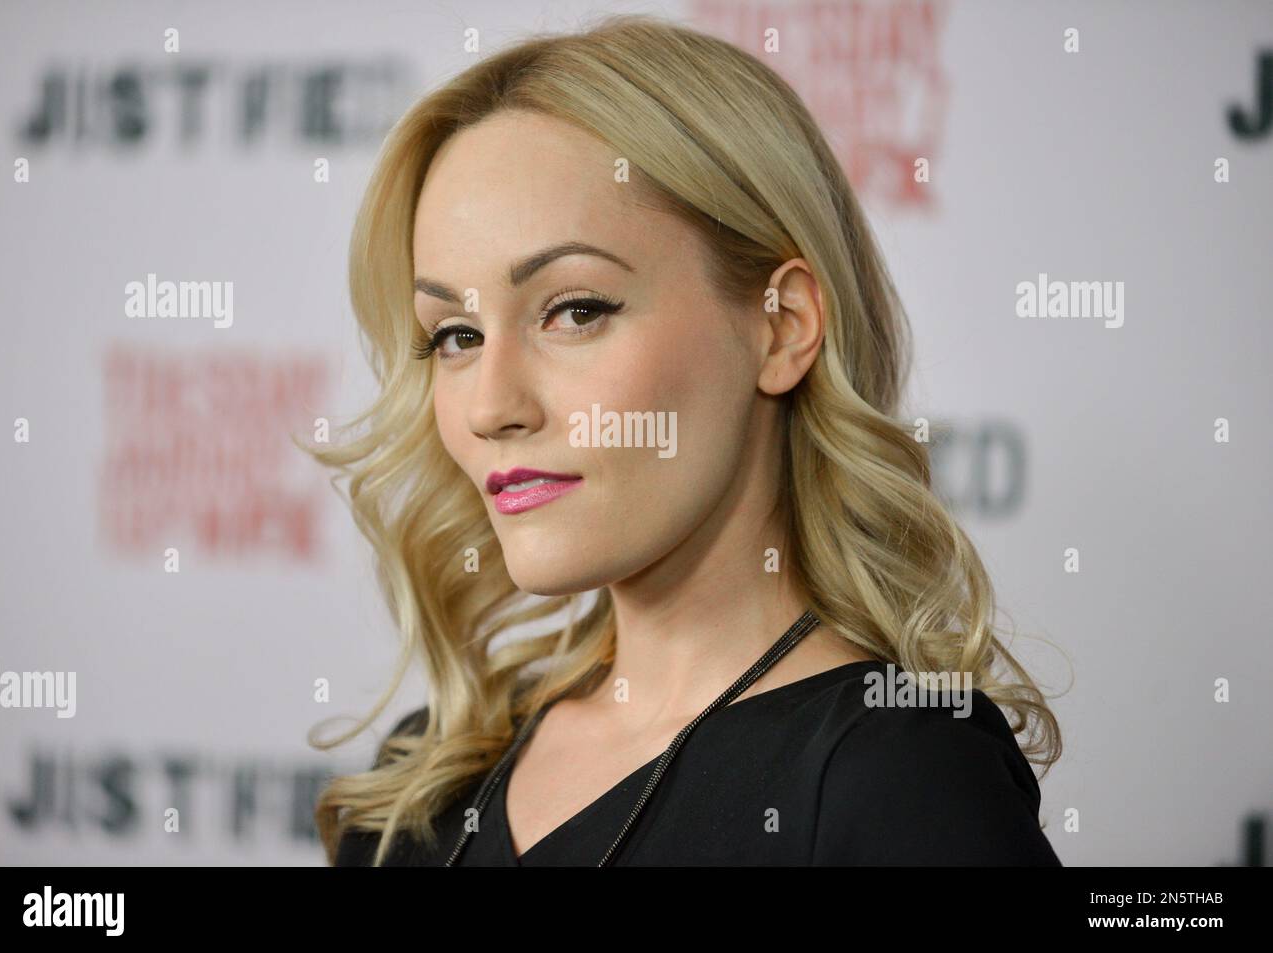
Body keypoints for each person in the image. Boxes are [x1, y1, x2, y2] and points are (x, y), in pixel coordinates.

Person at [306, 13, 1063, 866]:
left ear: (782, 327)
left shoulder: (895, 772)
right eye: (455, 335)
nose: (490, 407)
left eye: (575, 310)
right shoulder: (424, 777)